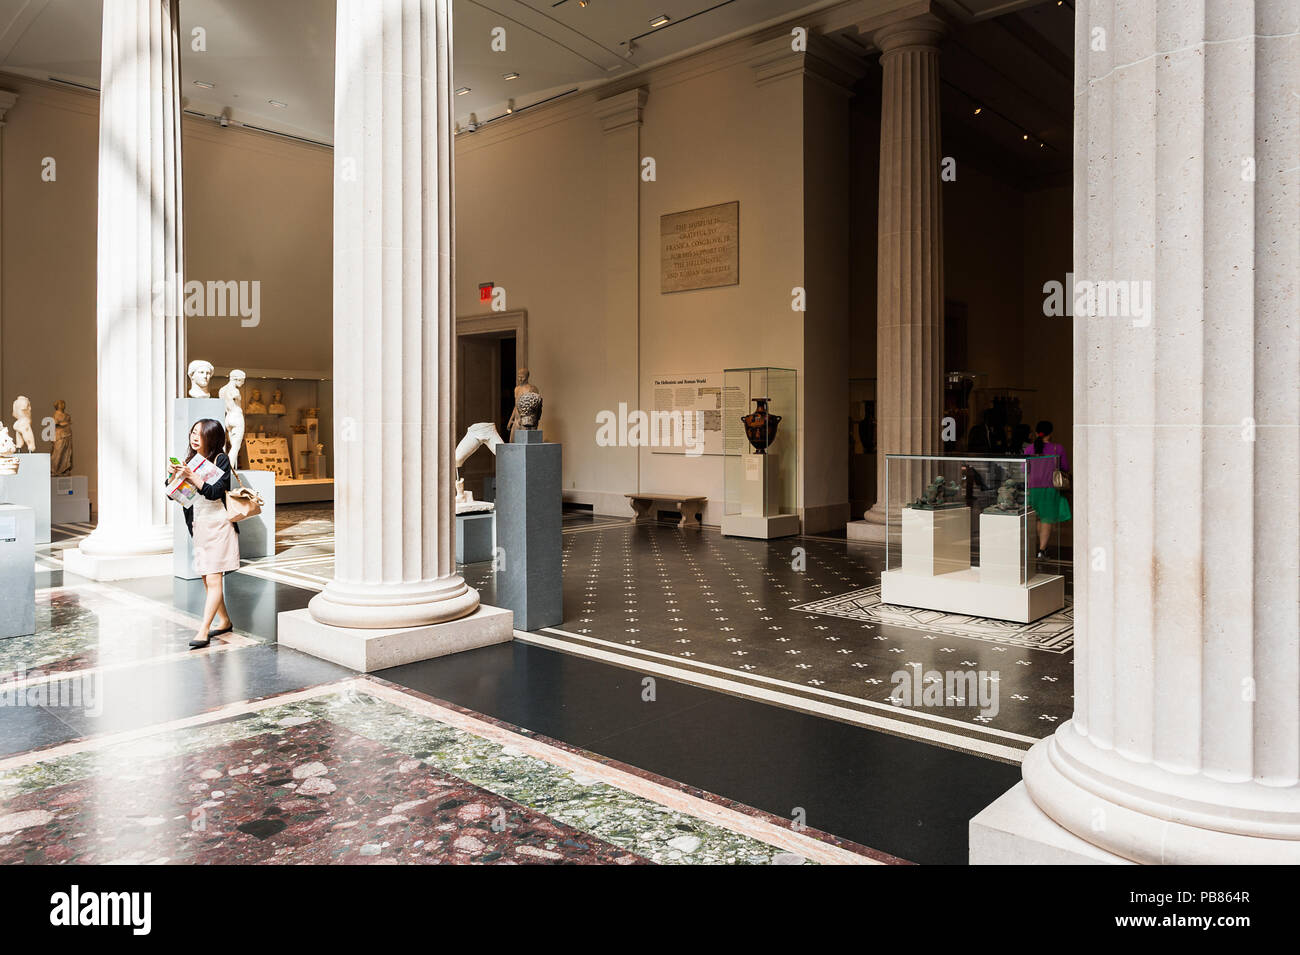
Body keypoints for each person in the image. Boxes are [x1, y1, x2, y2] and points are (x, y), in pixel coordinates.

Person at [167, 418, 239, 648]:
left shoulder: (221, 459)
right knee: (207, 579)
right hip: (199, 525)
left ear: (212, 437)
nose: (194, 437)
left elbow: (215, 492)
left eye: (200, 433)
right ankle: (225, 620)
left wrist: (192, 475)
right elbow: (172, 494)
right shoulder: (190, 461)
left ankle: (203, 630)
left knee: (214, 578)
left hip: (219, 525)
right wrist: (174, 476)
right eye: (193, 432)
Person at [1023, 419, 1071, 558]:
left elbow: (1024, 469)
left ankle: (1040, 547)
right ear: (1051, 433)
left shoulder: (1029, 449)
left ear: (1037, 432)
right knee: (1047, 519)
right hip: (1050, 487)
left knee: (1038, 518)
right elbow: (1065, 468)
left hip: (1033, 487)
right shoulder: (1058, 448)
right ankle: (1042, 550)